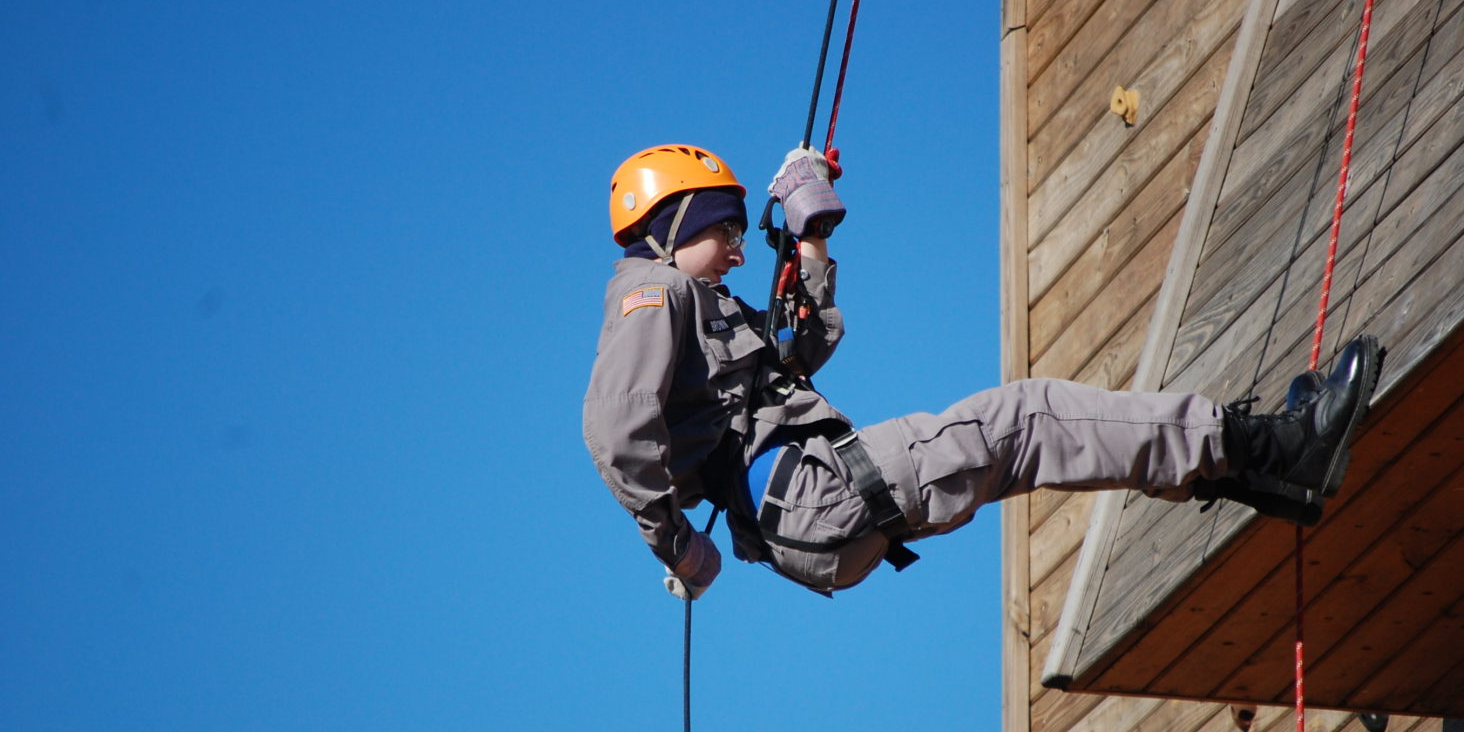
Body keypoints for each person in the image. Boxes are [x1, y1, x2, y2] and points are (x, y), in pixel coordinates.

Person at [583, 143, 1383, 599]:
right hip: (812, 496)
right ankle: (1275, 450)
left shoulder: (702, 306)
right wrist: (676, 542)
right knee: (1030, 418)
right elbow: (618, 433)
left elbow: (795, 357)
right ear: (667, 230)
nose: (734, 246)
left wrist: (813, 239)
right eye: (720, 228)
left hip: (811, 515)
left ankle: (1250, 468)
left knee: (1033, 438)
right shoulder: (654, 290)